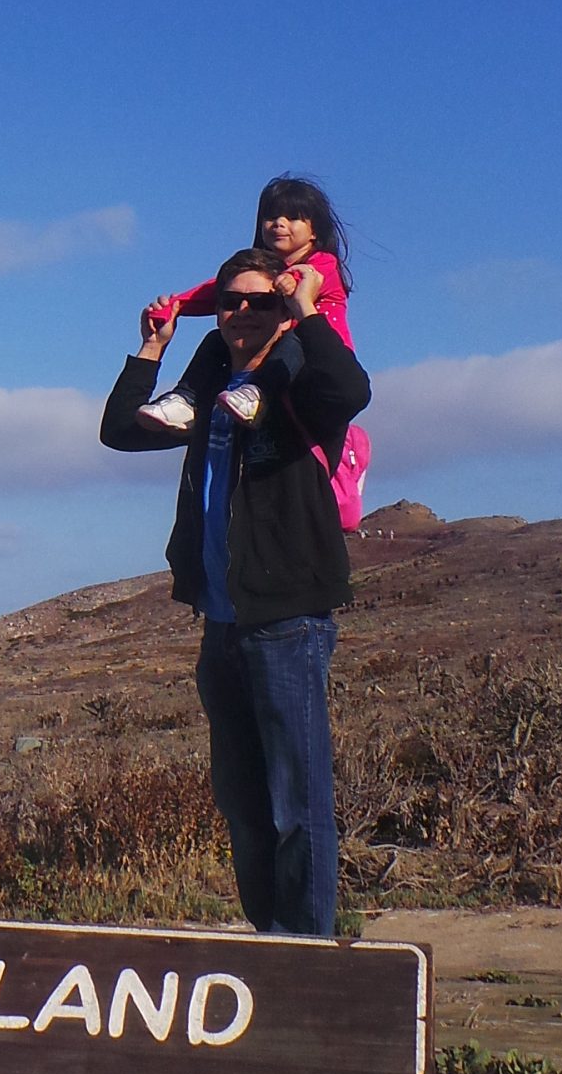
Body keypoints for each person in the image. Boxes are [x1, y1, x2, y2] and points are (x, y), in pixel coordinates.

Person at [100, 246, 371, 938]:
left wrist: (308, 311)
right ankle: (268, 937)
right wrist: (152, 349)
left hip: (288, 620)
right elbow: (120, 431)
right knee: (245, 806)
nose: (244, 312)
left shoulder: (300, 384)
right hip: (222, 624)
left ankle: (304, 949)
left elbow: (350, 392)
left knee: (297, 804)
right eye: (232, 301)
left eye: (261, 301)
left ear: (283, 309)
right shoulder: (211, 391)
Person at [137, 174, 355, 432]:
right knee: (215, 340)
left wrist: (289, 280)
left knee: (293, 340)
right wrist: (177, 305)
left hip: (318, 360)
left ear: (314, 231)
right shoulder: (266, 271)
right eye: (271, 217)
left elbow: (302, 280)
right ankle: (185, 399)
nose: (279, 223)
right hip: (274, 355)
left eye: (293, 217)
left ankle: (256, 394)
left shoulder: (323, 263)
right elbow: (215, 290)